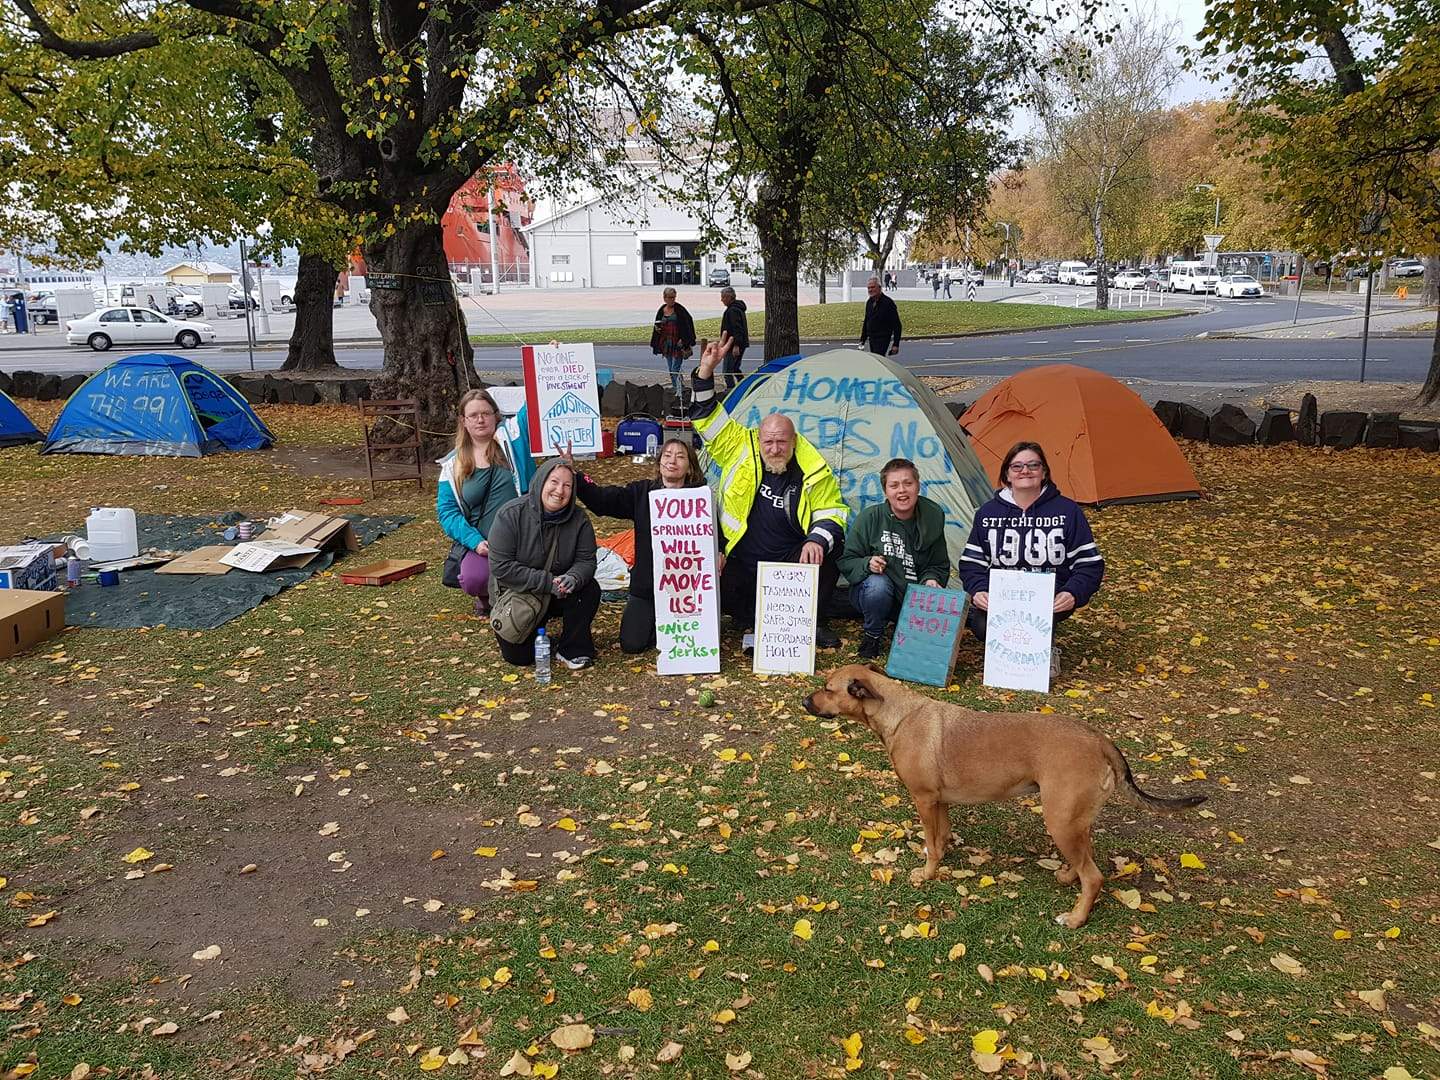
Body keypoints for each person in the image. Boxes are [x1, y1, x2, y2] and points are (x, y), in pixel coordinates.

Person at [690, 332, 849, 650]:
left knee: (827, 562)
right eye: (769, 442)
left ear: (794, 440)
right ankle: (753, 619)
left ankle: (810, 622)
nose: (775, 449)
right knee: (715, 585)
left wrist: (817, 539)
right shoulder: (738, 445)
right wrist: (707, 369)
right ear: (759, 438)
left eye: (782, 442)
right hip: (741, 558)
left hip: (788, 561)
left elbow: (832, 509)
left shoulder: (812, 464)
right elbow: (705, 417)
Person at [956, 441, 1105, 673]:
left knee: (1036, 624)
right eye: (1017, 466)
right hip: (1003, 599)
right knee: (981, 625)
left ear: (1044, 472)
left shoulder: (1067, 512)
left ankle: (1045, 650)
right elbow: (971, 562)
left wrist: (1073, 592)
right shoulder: (987, 513)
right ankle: (1010, 658)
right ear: (1007, 474)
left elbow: (1089, 564)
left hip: (1050, 599)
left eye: (1033, 465)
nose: (1025, 471)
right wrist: (979, 590)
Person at [561, 437, 718, 654]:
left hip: (686, 587)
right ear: (659, 462)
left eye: (680, 456)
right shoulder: (642, 493)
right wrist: (575, 474)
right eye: (667, 455)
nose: (673, 460)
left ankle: (666, 625)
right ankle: (656, 624)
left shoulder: (701, 499)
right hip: (647, 585)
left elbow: (717, 535)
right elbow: (601, 500)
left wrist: (721, 552)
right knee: (632, 644)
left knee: (692, 639)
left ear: (690, 467)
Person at [487, 458, 600, 670]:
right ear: (541, 481)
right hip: (521, 592)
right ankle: (533, 630)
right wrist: (547, 582)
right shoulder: (511, 514)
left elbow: (586, 560)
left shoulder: (579, 519)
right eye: (554, 482)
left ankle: (572, 648)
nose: (560, 491)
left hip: (561, 591)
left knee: (590, 589)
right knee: (519, 658)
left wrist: (573, 578)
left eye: (568, 485)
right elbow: (501, 566)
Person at [838, 458, 951, 659]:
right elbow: (847, 560)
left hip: (912, 595)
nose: (902, 491)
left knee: (924, 649)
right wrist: (867, 563)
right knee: (877, 585)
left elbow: (938, 563)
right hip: (874, 594)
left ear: (918, 486)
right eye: (894, 485)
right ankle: (872, 636)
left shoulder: (932, 517)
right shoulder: (870, 517)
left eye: (908, 483)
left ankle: (911, 630)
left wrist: (931, 578)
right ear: (885, 491)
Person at [437, 388, 519, 618]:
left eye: (486, 412)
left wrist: (551, 356)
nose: (480, 419)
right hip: (484, 542)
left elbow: (535, 402)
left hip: (521, 535)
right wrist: (475, 542)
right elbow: (447, 512)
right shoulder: (451, 466)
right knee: (474, 578)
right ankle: (486, 596)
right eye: (473, 415)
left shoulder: (513, 445)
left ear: (496, 415)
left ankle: (516, 593)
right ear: (464, 421)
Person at [649, 286, 696, 400]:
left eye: (673, 297)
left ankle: (679, 391)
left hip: (678, 343)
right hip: (666, 343)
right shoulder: (662, 310)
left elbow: (687, 324)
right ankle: (677, 388)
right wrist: (657, 330)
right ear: (664, 298)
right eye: (669, 297)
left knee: (676, 368)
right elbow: (657, 324)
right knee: (671, 368)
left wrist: (685, 340)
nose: (672, 300)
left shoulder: (680, 309)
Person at [858, 276, 901, 357]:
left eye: (873, 287)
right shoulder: (869, 302)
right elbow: (867, 321)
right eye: (869, 288)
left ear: (879, 288)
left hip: (883, 338)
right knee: (876, 360)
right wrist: (862, 340)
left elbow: (897, 325)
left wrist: (896, 344)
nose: (870, 290)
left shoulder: (888, 303)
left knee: (878, 359)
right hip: (872, 338)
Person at [718, 287, 749, 393]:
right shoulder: (736, 309)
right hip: (735, 344)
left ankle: (731, 390)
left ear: (729, 297)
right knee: (735, 368)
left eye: (723, 297)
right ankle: (744, 386)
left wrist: (736, 345)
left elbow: (737, 328)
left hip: (733, 345)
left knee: (727, 370)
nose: (721, 300)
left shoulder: (733, 310)